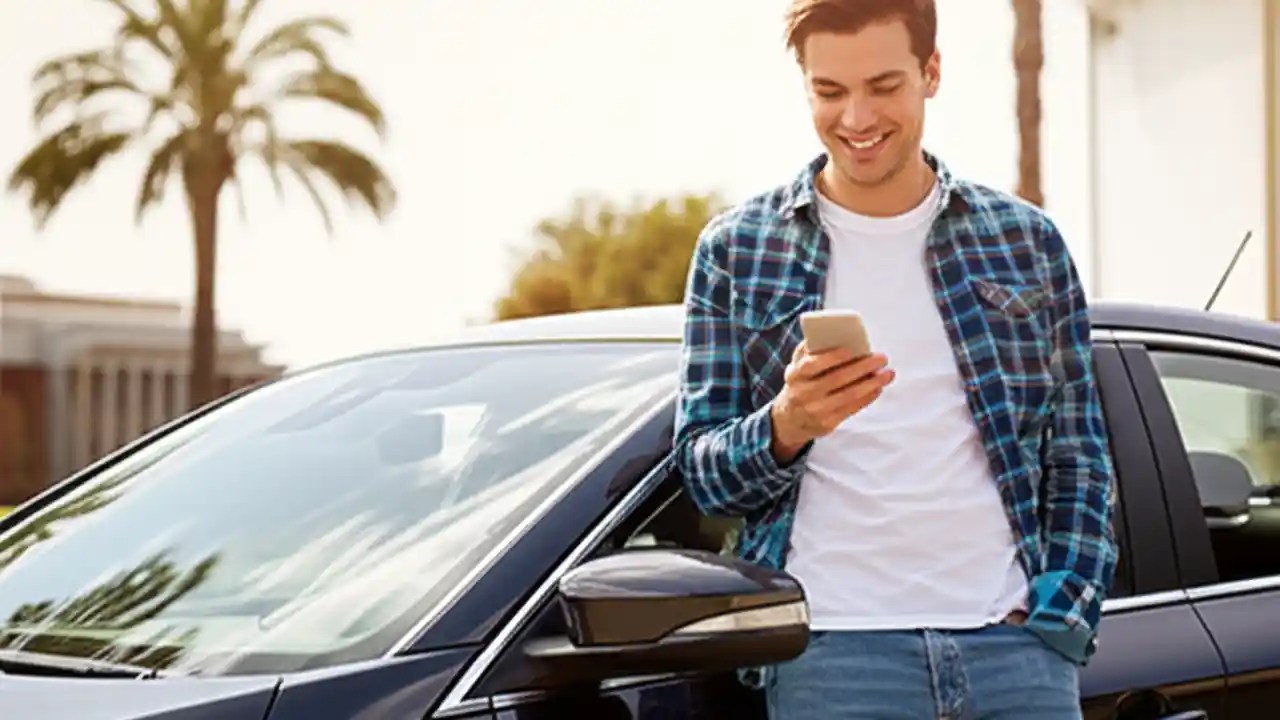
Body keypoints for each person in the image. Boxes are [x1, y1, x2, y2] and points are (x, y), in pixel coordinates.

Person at [671, 0, 1117, 718]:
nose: (855, 118)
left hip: (1014, 654)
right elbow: (701, 474)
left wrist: (1060, 609)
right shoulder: (737, 251)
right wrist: (785, 425)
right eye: (829, 92)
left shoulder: (1026, 243)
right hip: (834, 660)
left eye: (883, 86)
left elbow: (1079, 452)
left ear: (930, 73)